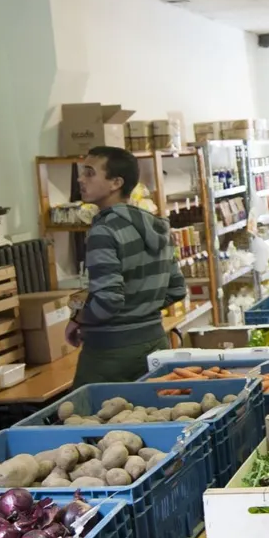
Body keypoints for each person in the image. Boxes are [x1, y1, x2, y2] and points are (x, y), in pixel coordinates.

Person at [66, 146, 186, 385]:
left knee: (88, 419)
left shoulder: (104, 231)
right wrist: (140, 311)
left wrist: (79, 319)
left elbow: (108, 301)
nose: (80, 179)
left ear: (116, 183)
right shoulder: (157, 226)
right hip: (155, 346)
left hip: (110, 356)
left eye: (89, 173)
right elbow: (176, 288)